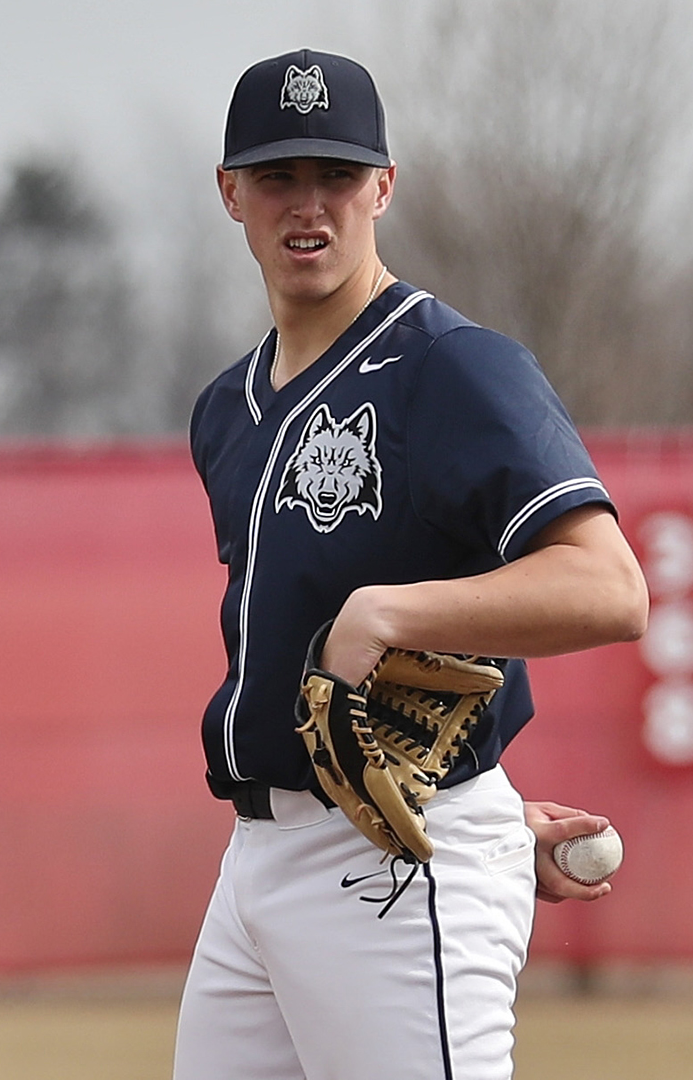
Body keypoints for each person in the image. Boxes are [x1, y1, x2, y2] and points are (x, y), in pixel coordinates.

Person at [175, 49, 648, 1080]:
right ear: (230, 194)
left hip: (395, 865)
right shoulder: (227, 410)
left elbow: (610, 586)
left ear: (384, 186)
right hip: (258, 861)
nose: (311, 206)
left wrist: (396, 616)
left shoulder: (453, 368)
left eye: (338, 176)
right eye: (278, 178)